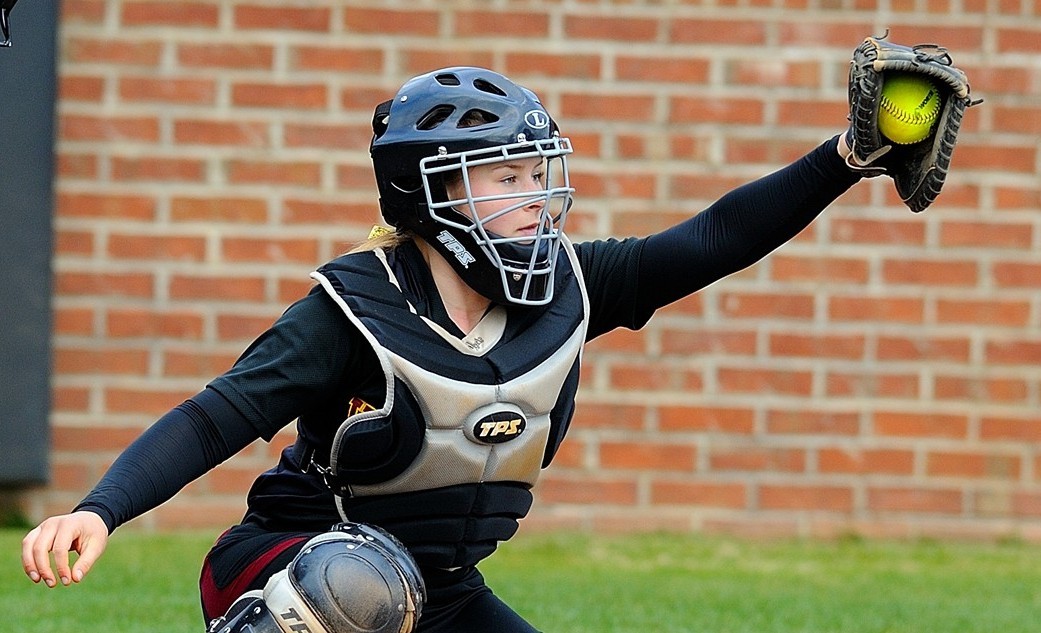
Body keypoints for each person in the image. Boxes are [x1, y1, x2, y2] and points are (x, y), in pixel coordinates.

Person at [22, 65, 865, 632]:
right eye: (506, 178)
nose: (535, 198)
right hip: (293, 570)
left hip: (440, 588)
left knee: (397, 590)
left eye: (538, 174)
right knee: (359, 582)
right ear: (432, 190)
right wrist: (99, 508)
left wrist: (847, 157)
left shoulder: (574, 284)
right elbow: (218, 417)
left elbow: (715, 236)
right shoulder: (352, 307)